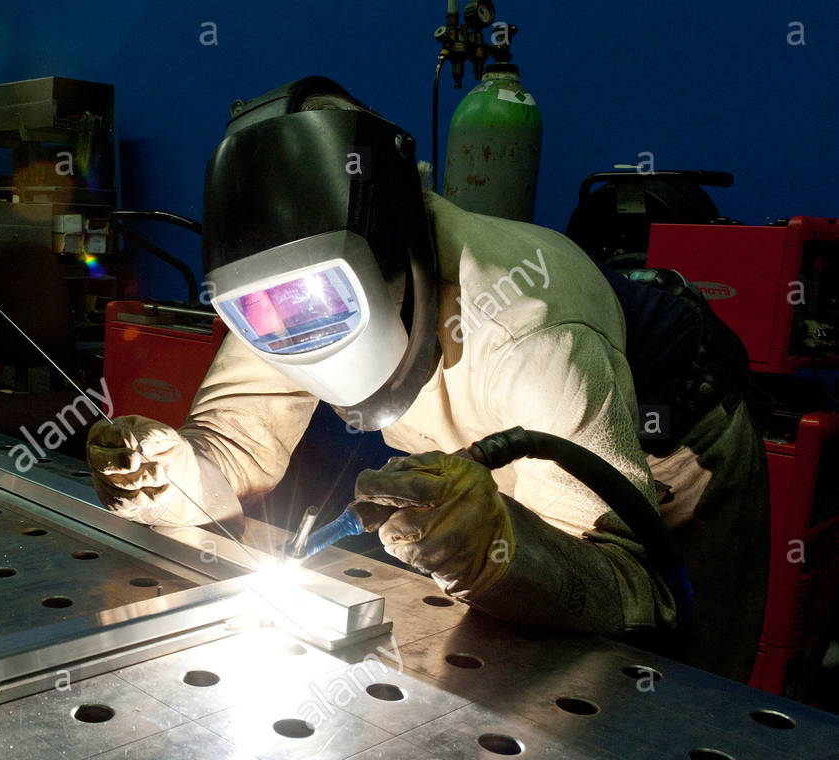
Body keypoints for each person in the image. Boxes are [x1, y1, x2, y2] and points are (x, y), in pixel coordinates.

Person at [87, 77, 767, 682]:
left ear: (395, 259)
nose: (296, 328)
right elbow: (233, 453)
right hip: (517, 434)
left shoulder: (530, 328)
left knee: (671, 688)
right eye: (259, 311)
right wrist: (172, 476)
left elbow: (631, 583)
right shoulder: (284, 290)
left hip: (674, 443)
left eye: (324, 301)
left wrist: (497, 551)